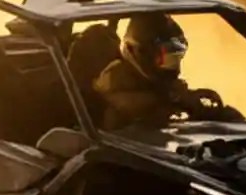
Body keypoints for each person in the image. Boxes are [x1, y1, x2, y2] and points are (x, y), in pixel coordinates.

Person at [92, 13, 232, 130]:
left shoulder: (155, 84)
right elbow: (129, 107)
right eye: (165, 58)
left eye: (176, 57)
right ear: (140, 53)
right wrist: (174, 101)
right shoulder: (115, 81)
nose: (173, 67)